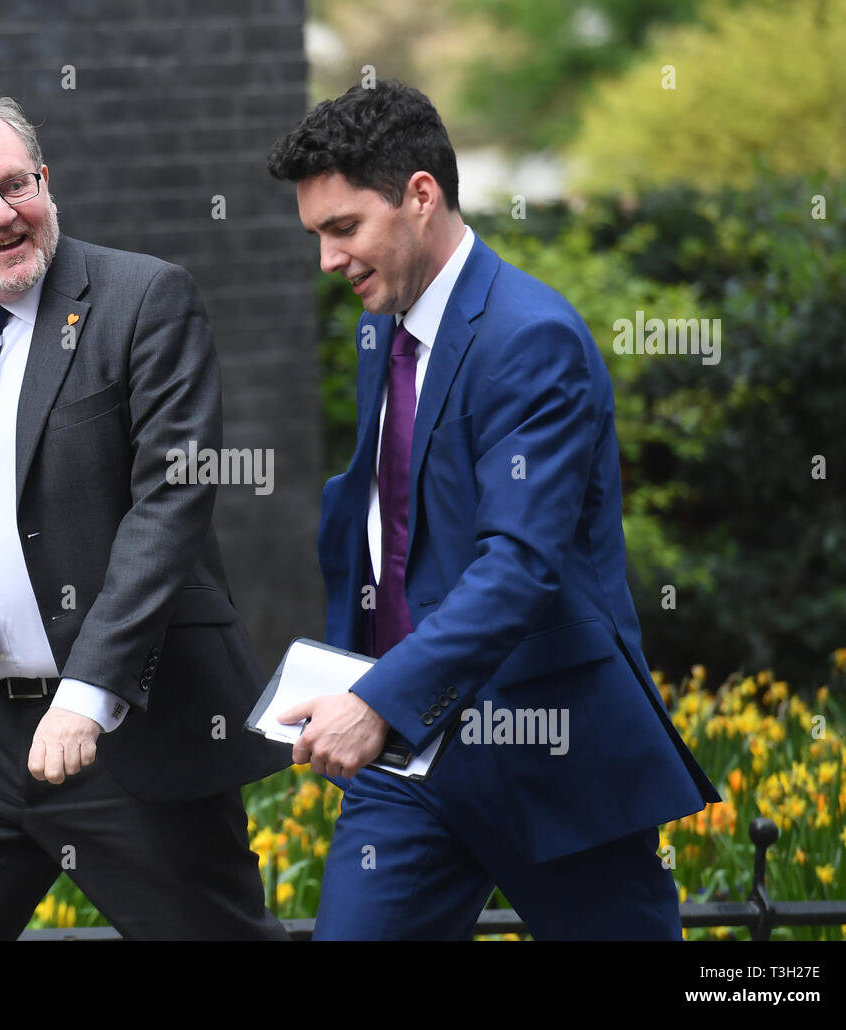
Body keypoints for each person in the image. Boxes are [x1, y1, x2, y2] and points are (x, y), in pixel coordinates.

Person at [266, 80, 721, 940]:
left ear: (421, 197)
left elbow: (516, 568)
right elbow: (383, 521)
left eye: (342, 228)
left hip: (549, 758)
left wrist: (381, 701)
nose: (327, 259)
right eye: (317, 235)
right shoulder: (383, 330)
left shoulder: (531, 339)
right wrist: (351, 675)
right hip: (407, 770)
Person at [0, 91, 288, 940]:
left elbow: (172, 501)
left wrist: (88, 696)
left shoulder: (143, 297)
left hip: (125, 724)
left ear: (46, 179)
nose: (4, 214)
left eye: (17, 184)